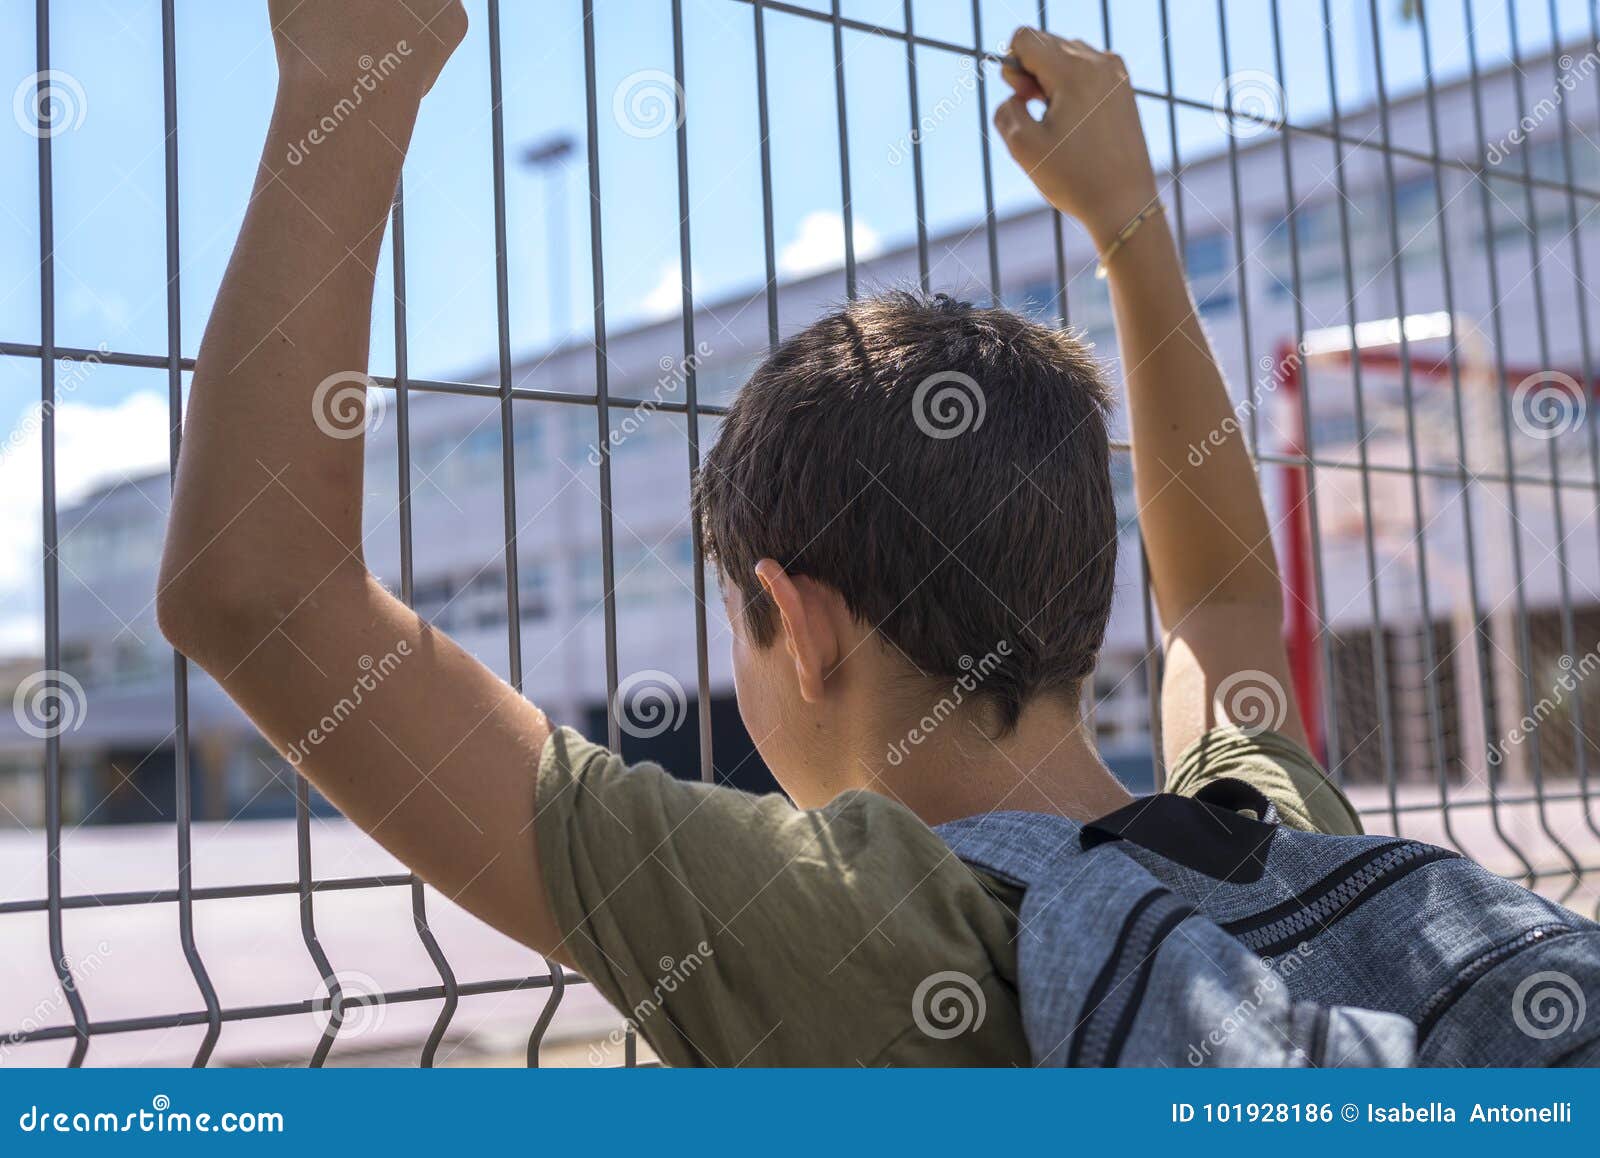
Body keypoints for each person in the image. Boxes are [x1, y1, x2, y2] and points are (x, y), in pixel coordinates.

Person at [158, 4, 1360, 1065]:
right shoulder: (1273, 831)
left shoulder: (833, 933)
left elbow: (251, 594)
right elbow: (1225, 610)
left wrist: (354, 66)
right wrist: (1130, 218)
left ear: (797, 623)